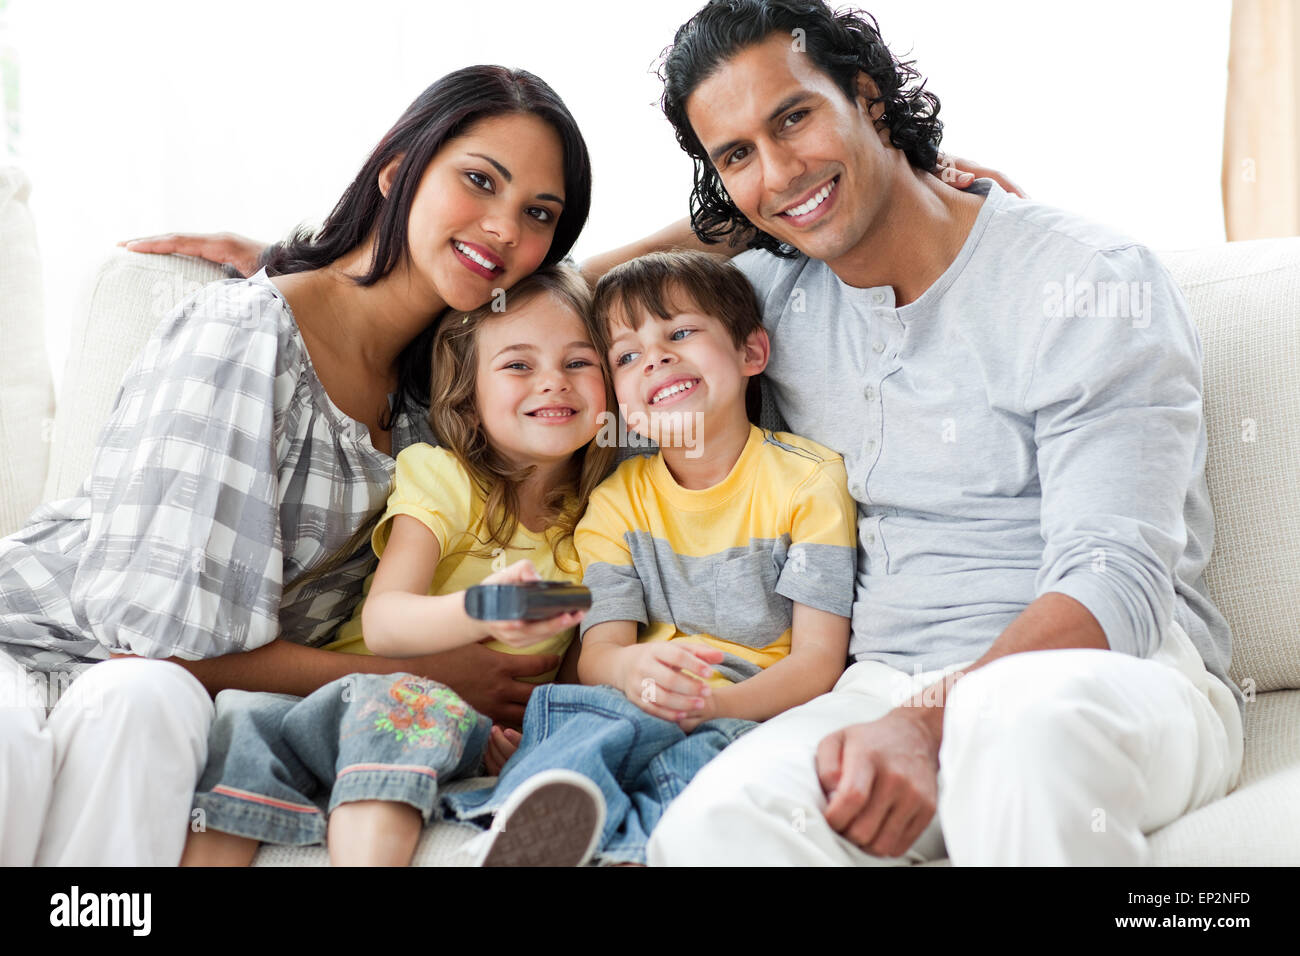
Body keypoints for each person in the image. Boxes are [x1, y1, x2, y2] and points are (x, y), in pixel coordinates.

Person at [640, 0, 1245, 866]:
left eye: (795, 118)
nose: (775, 170)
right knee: (714, 826)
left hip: (1115, 675)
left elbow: (1119, 580)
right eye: (735, 154)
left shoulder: (1089, 280)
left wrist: (930, 725)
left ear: (869, 99)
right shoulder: (770, 307)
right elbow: (584, 308)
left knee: (1010, 728)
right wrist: (762, 199)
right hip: (882, 683)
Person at [0, 64, 596, 866]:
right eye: (479, 181)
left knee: (144, 713)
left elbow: (583, 312)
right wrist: (429, 675)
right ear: (397, 167)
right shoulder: (244, 335)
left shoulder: (436, 406)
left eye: (538, 214)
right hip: (40, 654)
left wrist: (724, 221)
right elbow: (160, 644)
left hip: (150, 702)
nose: (502, 228)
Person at [182, 264, 622, 866]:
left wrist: (536, 738)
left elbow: (577, 664)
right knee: (246, 721)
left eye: (578, 363)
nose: (555, 383)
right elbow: (387, 621)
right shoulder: (442, 477)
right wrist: (484, 608)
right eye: (518, 365)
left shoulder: (603, 517)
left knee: (416, 714)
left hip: (448, 723)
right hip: (349, 692)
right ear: (467, 401)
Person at [441, 250, 858, 866]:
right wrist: (635, 669)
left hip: (748, 706)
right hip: (634, 695)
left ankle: (619, 846)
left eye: (681, 332)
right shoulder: (615, 502)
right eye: (627, 355)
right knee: (592, 721)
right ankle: (528, 822)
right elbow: (602, 654)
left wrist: (715, 703)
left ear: (751, 353)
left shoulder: (809, 482)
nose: (656, 358)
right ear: (617, 396)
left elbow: (818, 662)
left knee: (700, 762)